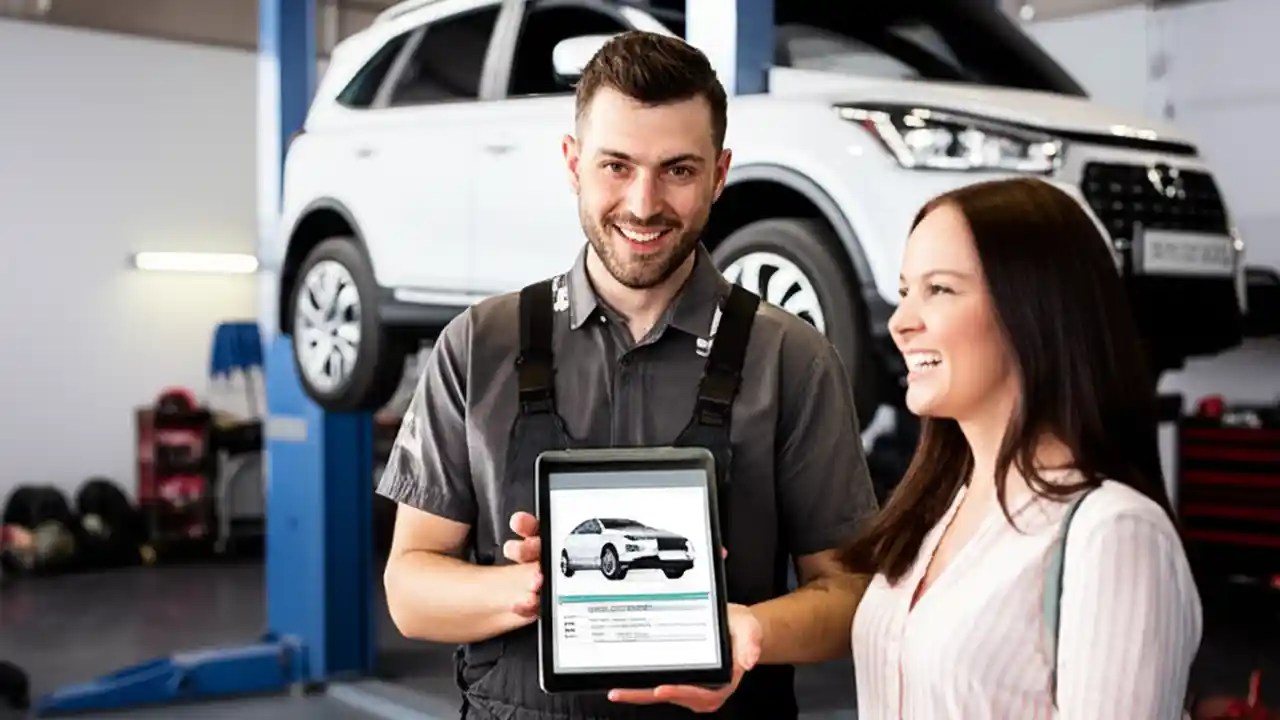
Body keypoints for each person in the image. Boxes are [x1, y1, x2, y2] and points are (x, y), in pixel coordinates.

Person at [377, 31, 879, 720]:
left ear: (720, 172)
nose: (643, 204)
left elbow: (851, 594)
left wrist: (750, 634)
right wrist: (531, 588)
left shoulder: (791, 358)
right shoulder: (477, 346)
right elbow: (410, 588)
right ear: (572, 161)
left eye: (678, 170)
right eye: (617, 166)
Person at [841, 177, 1203, 719]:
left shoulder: (1115, 533)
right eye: (904, 291)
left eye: (939, 289)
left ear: (1031, 308)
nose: (901, 322)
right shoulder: (938, 512)